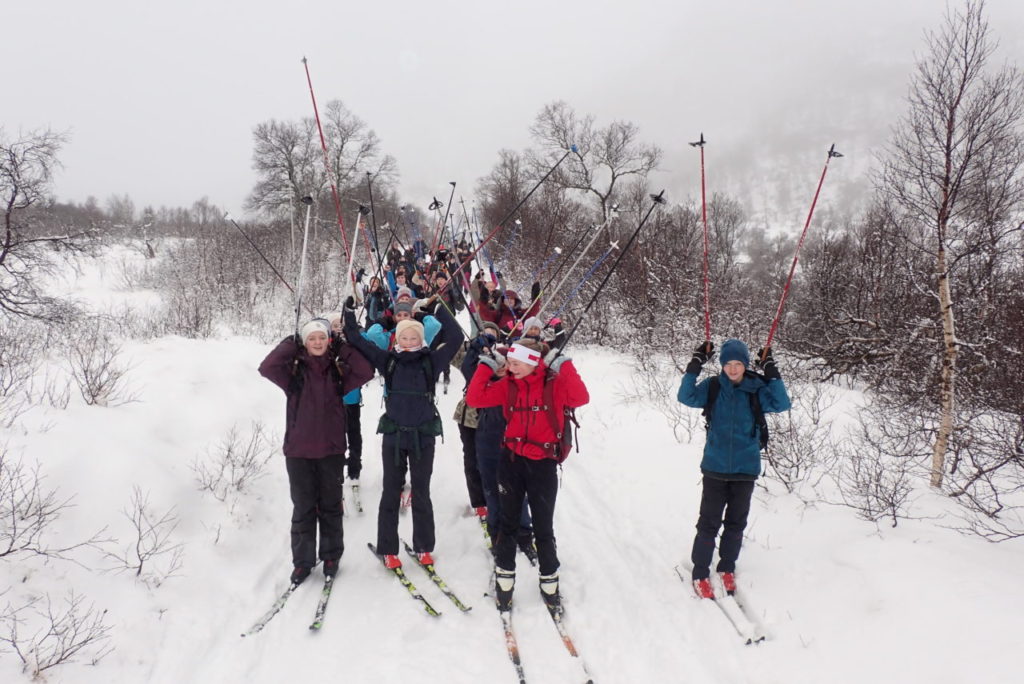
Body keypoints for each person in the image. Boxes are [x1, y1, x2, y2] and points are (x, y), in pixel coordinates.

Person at [466, 341, 589, 612]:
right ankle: (505, 584)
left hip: (543, 465)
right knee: (508, 525)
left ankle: (550, 584)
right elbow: (475, 399)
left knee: (543, 528)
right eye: (509, 362)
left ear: (534, 362)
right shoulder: (508, 385)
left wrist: (564, 364)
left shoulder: (554, 385)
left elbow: (580, 397)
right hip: (510, 463)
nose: (510, 367)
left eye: (516, 363)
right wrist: (485, 367)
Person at [343, 296, 462, 569]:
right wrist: (349, 314)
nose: (408, 342)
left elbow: (454, 337)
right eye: (403, 338)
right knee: (390, 492)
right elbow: (358, 340)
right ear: (396, 340)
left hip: (423, 437)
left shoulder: (432, 361)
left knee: (421, 492)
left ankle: (424, 548)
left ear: (421, 340)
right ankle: (388, 549)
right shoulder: (388, 361)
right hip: (394, 437)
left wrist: (438, 310)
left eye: (413, 338)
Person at [258, 318, 374, 584]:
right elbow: (267, 367)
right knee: (303, 508)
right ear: (305, 342)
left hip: (331, 451)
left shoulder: (338, 372)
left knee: (331, 507)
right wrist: (291, 342)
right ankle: (303, 562)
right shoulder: (293, 374)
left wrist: (342, 345)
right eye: (312, 339)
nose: (318, 342)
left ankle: (331, 556)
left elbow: (365, 370)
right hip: (298, 453)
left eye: (322, 338)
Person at [677, 339, 791, 599]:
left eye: (738, 364)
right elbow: (685, 396)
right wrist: (695, 364)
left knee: (736, 523)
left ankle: (727, 566)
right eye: (727, 364)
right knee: (708, 523)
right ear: (721, 364)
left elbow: (782, 403)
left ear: (745, 364)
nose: (733, 369)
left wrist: (771, 371)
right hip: (715, 467)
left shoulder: (756, 389)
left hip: (745, 468)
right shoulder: (713, 387)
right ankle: (700, 571)